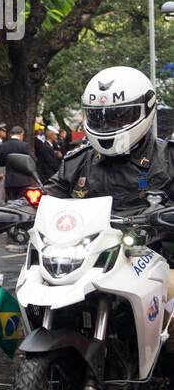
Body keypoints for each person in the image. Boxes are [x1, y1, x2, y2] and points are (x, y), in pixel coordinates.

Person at [39, 68, 172, 294]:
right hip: (88, 262)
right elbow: (47, 197)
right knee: (35, 284)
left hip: (157, 257)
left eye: (119, 115)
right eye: (99, 116)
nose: (107, 124)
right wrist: (19, 209)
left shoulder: (168, 158)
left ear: (147, 109)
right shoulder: (78, 162)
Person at [0, 125, 35, 201]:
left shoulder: (3, 146)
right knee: (22, 203)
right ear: (21, 134)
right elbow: (33, 160)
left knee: (11, 203)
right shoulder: (24, 146)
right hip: (23, 180)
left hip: (10, 180)